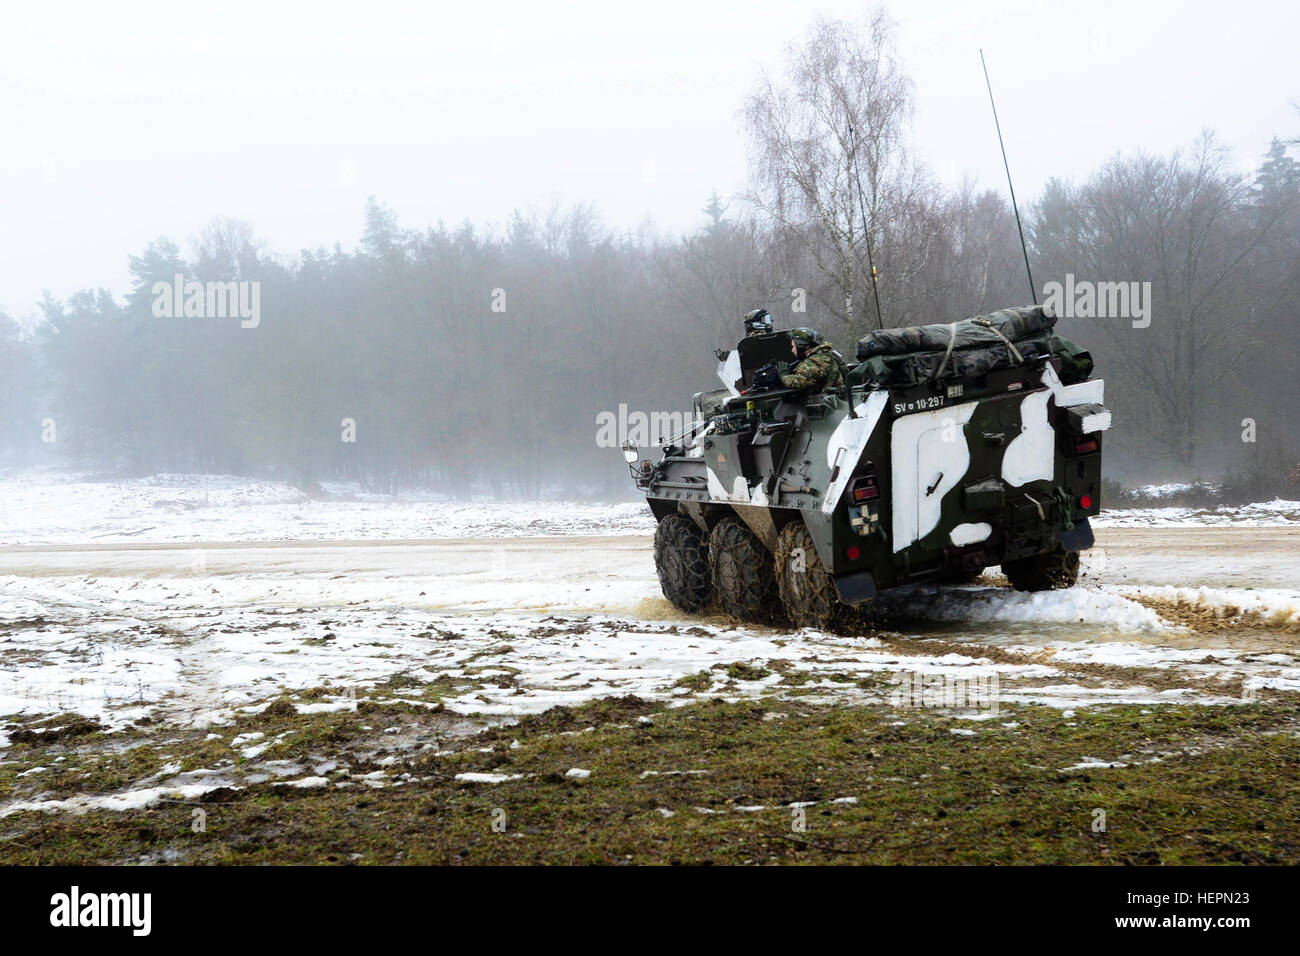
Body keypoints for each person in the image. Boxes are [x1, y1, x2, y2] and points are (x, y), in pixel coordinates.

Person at [752, 327, 844, 394]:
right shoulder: (823, 356)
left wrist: (784, 375)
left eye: (793, 346)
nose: (792, 350)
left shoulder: (815, 360)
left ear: (801, 345)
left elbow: (801, 382)